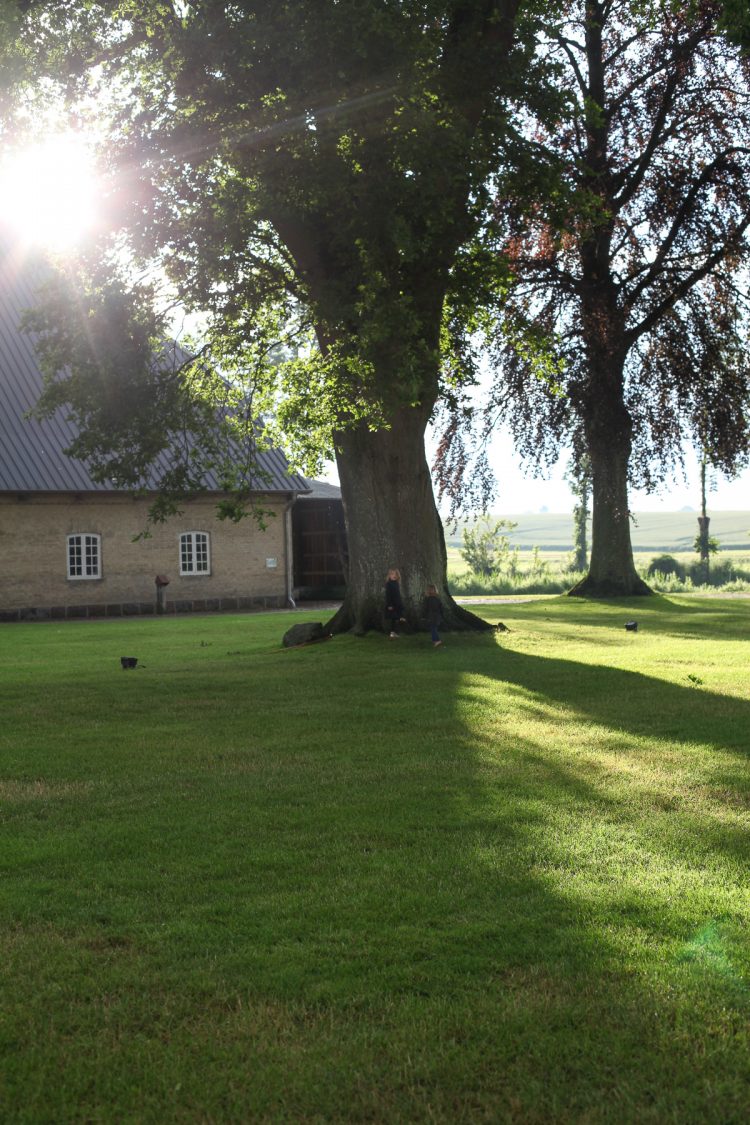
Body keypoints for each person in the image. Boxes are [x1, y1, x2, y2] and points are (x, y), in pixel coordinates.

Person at [385, 567, 405, 637]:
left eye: (396, 574)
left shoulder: (396, 583)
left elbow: (398, 594)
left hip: (398, 603)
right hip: (392, 603)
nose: (394, 575)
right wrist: (389, 605)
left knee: (397, 616)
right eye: (392, 574)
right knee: (394, 618)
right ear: (389, 575)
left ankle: (394, 632)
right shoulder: (389, 584)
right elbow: (388, 595)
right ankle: (392, 632)